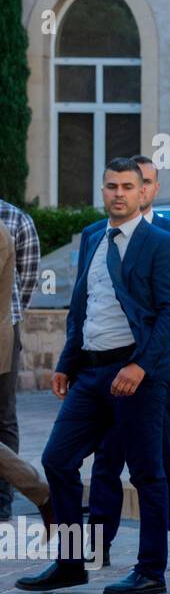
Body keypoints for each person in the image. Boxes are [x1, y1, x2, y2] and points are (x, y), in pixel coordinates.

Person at [16, 157, 170, 594]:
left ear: (143, 191)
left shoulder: (161, 243)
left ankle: (151, 571)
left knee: (148, 472)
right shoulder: (92, 236)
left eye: (128, 186)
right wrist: (66, 363)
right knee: (57, 458)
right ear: (102, 189)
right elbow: (82, 306)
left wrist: (140, 365)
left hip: (139, 371)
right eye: (111, 186)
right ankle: (71, 562)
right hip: (91, 371)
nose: (119, 194)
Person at [86, 154, 170, 571]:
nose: (138, 189)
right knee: (107, 455)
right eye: (120, 185)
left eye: (147, 182)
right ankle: (98, 541)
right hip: (110, 367)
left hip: (162, 367)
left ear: (151, 188)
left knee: (169, 454)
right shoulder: (99, 235)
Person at [0, 195, 40, 523]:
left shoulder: (16, 220)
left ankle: (3, 498)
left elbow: (26, 282)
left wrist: (9, 320)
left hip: (2, 331)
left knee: (3, 415)